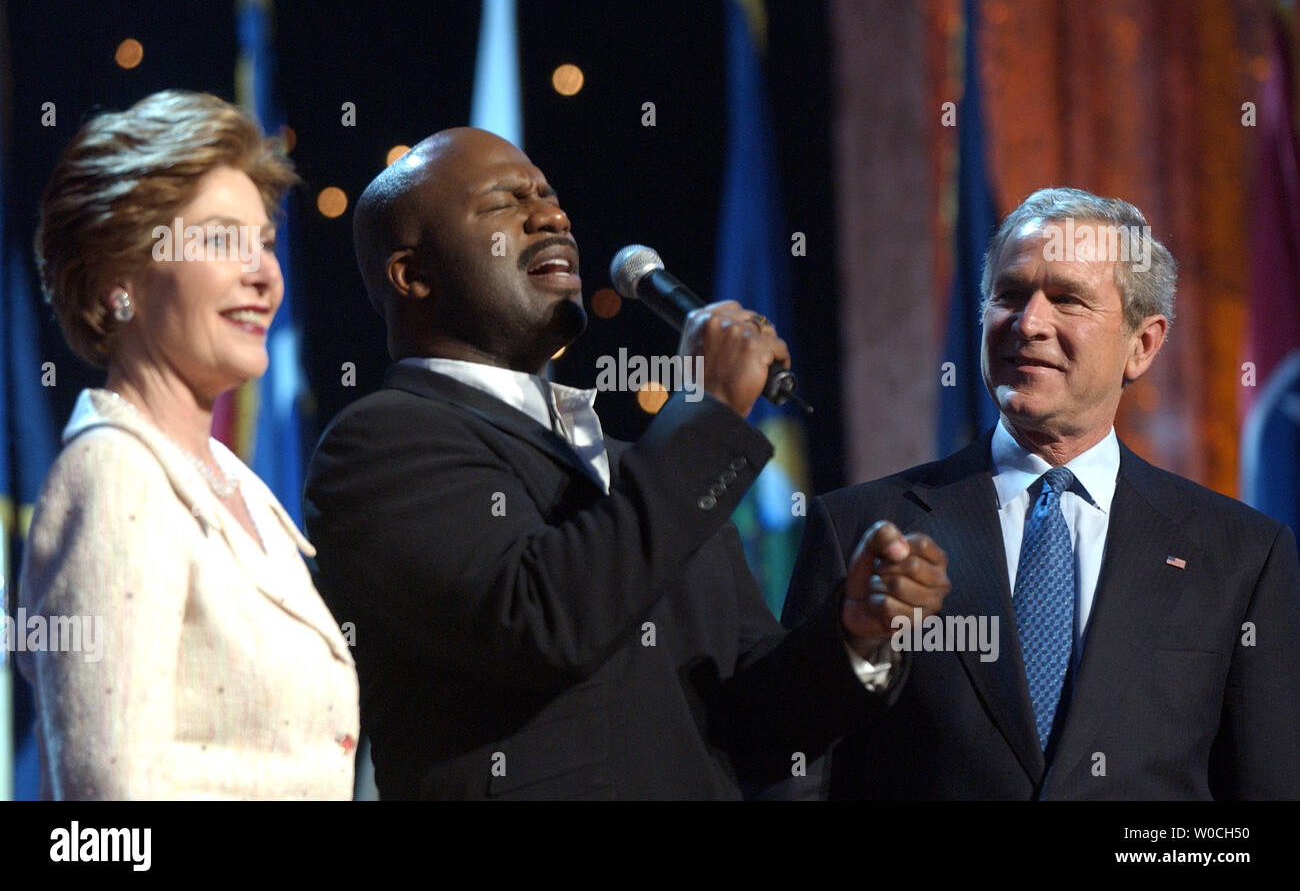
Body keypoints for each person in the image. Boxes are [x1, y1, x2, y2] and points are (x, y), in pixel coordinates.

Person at [303, 126, 951, 799]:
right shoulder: (380, 445)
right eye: (504, 202)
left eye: (550, 197)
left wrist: (852, 633)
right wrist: (707, 415)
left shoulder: (641, 464)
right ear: (412, 274)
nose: (552, 215)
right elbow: (543, 621)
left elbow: (750, 727)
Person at [781, 187, 1300, 799]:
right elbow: (793, 766)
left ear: (1143, 344)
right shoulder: (860, 528)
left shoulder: (1240, 553)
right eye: (1010, 295)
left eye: (1067, 299)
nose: (1028, 324)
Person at [19, 90, 359, 799]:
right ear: (120, 280)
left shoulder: (245, 494)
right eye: (221, 239)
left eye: (264, 241)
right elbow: (109, 818)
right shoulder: (116, 476)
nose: (264, 273)